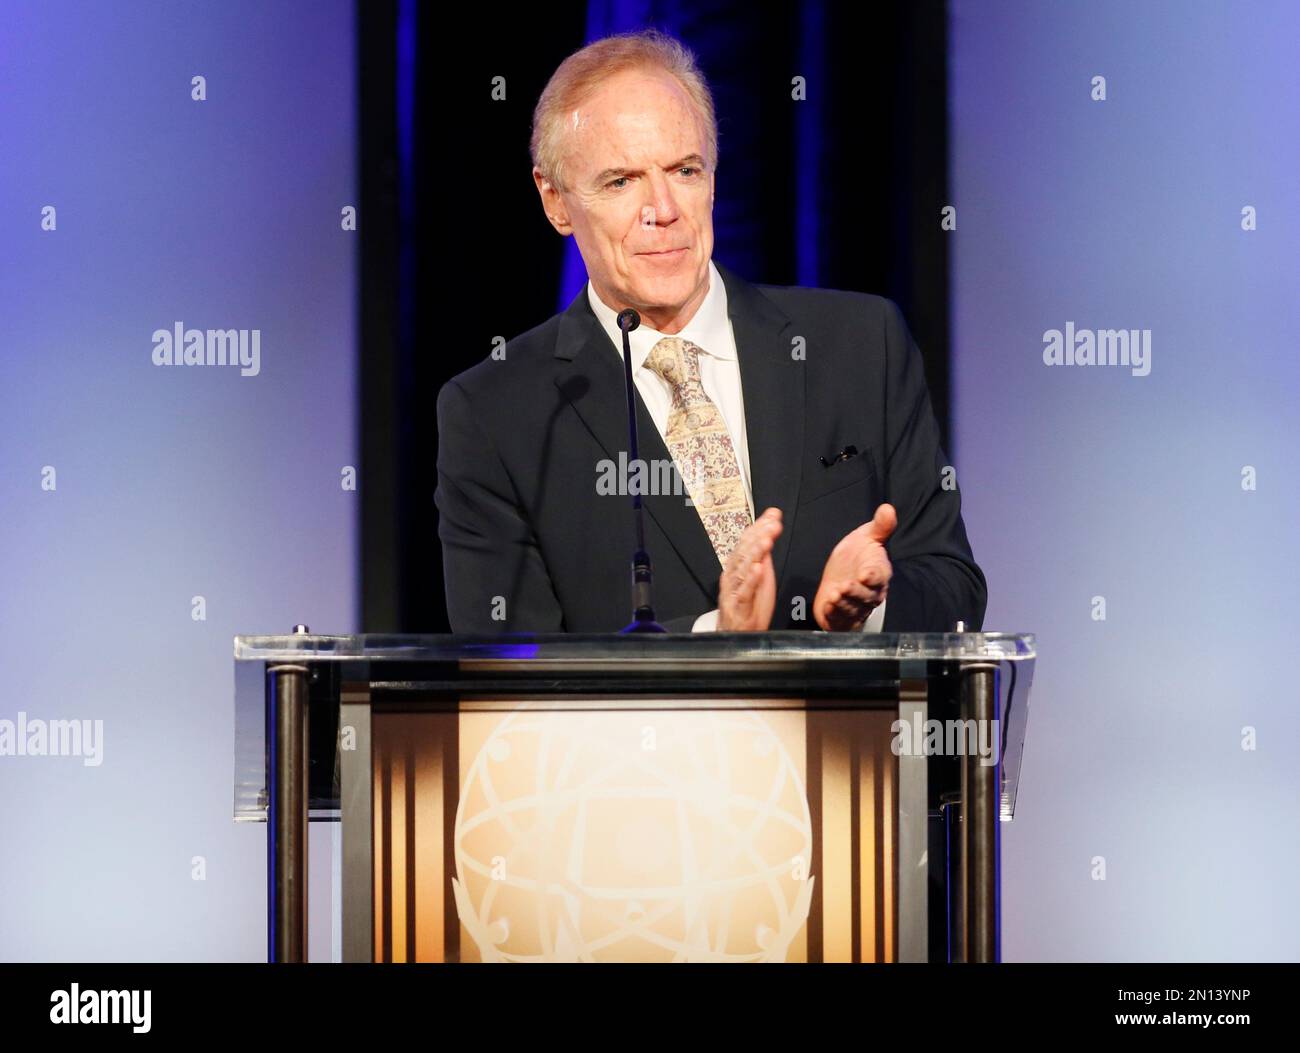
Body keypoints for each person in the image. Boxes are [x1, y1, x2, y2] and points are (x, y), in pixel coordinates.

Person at [436, 29, 985, 633]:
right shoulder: (495, 413)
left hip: (847, 728)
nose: (663, 208)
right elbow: (509, 670)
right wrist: (713, 638)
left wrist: (871, 607)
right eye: (621, 181)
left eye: (685, 169)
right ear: (555, 201)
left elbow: (953, 584)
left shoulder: (859, 345)